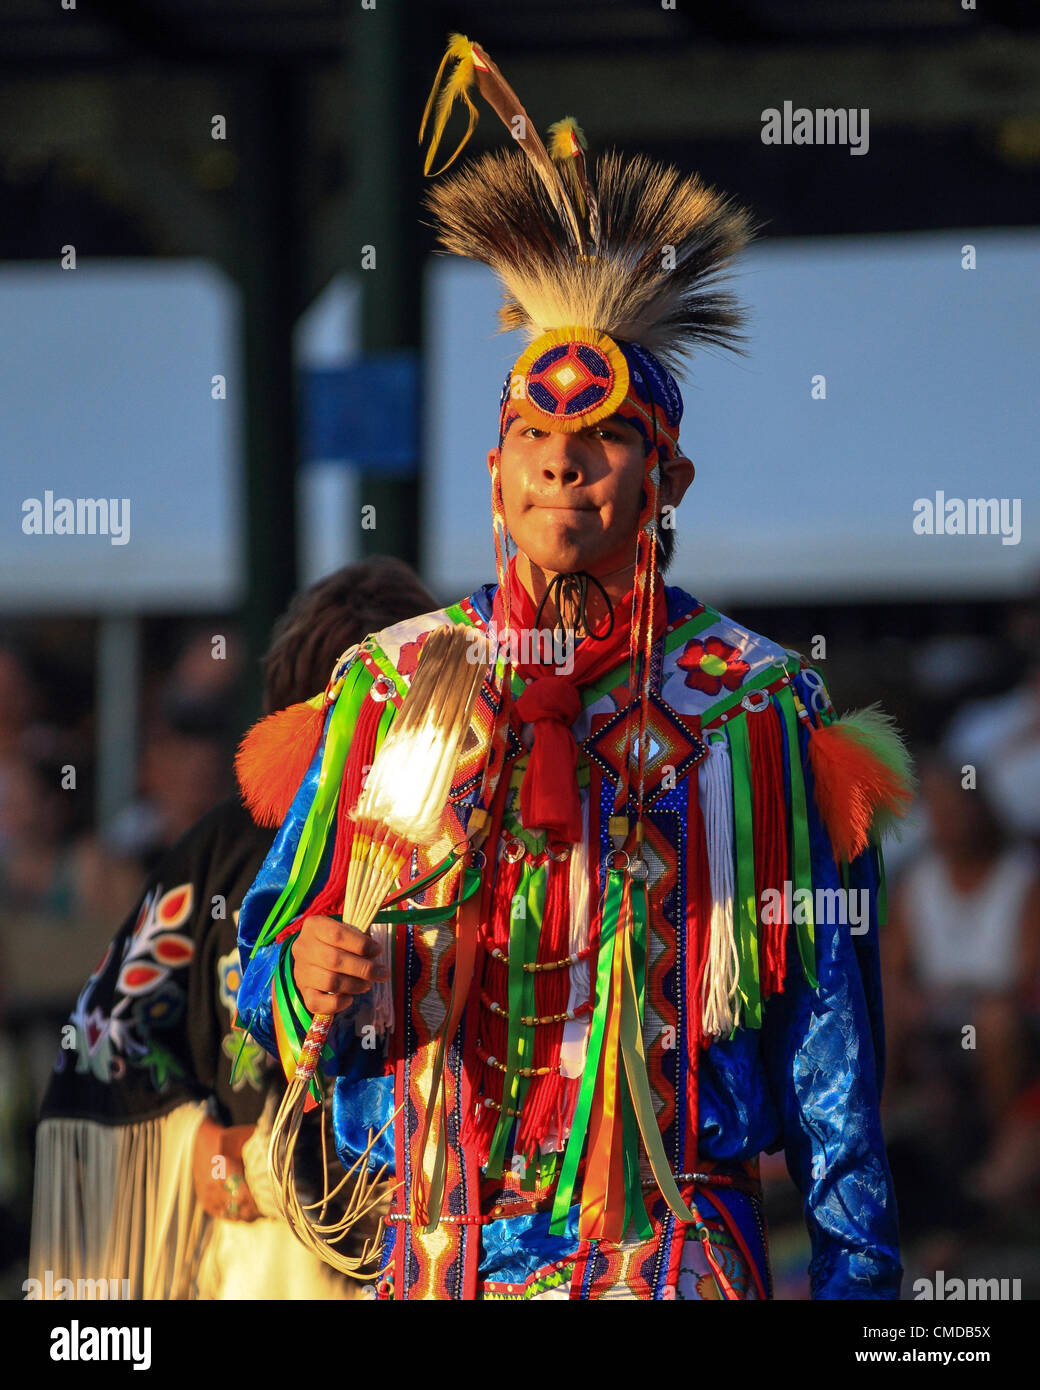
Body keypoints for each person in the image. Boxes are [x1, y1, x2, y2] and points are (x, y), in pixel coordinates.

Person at [236, 36, 913, 1301]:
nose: (561, 464)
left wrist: (858, 1290)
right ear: (494, 469)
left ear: (666, 481)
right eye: (534, 435)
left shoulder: (756, 709)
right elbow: (263, 960)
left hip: (665, 1239)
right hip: (436, 1245)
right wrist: (303, 968)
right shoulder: (393, 690)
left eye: (602, 438)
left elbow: (830, 1040)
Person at [28, 556, 435, 1299]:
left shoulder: (461, 859)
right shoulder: (226, 852)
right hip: (274, 1258)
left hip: (418, 1244)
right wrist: (197, 1147)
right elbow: (107, 1042)